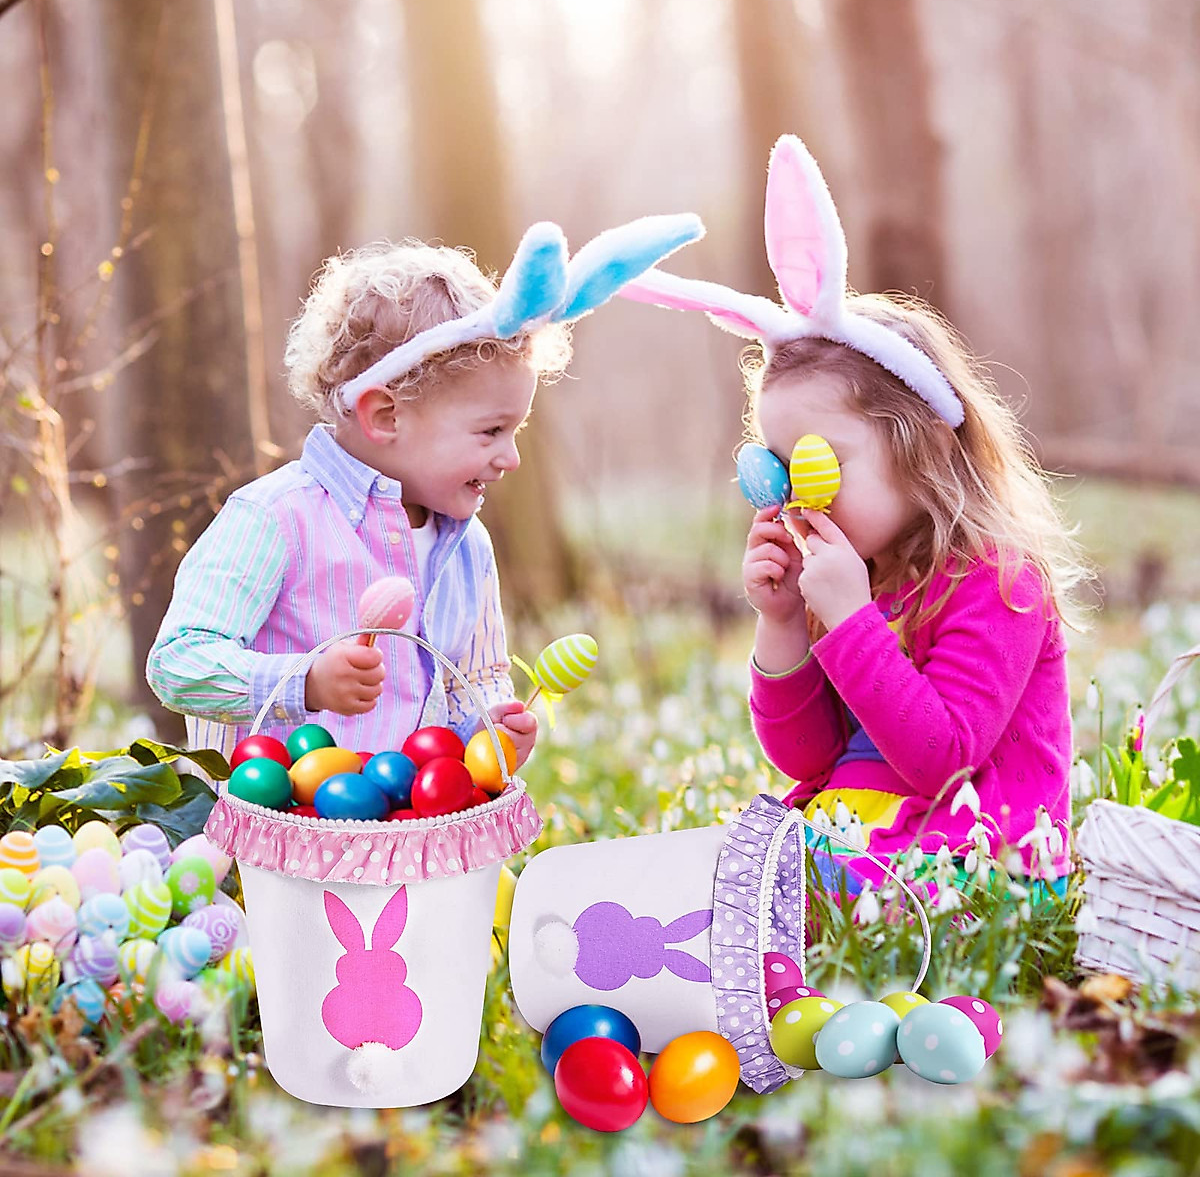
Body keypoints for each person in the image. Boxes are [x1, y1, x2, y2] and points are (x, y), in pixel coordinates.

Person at [620, 136, 1092, 903]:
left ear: (923, 444)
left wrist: (848, 620)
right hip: (863, 830)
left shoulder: (999, 582)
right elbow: (809, 760)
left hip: (975, 857)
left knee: (786, 898)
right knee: (723, 880)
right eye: (774, 467)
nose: (797, 498)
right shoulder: (851, 571)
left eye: (819, 464)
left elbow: (943, 759)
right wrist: (783, 625)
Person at [147, 214, 704, 765]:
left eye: (515, 431)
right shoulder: (273, 519)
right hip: (277, 840)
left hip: (413, 842)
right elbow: (178, 661)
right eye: (490, 431)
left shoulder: (466, 544)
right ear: (386, 415)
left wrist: (490, 735)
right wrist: (305, 681)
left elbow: (477, 681)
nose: (510, 458)